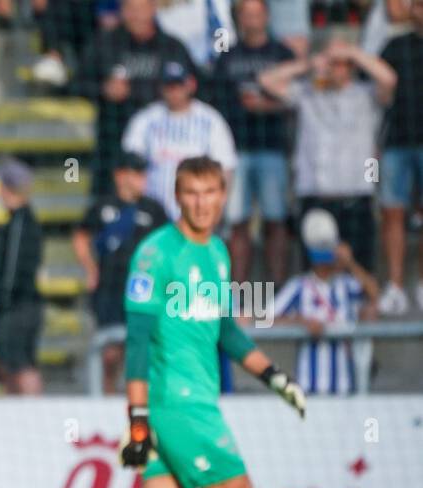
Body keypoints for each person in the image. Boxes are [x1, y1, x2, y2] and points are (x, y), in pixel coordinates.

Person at [55, 155, 328, 488]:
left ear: (223, 196)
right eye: (192, 193)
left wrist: (275, 377)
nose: (202, 203)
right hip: (175, 407)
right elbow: (136, 344)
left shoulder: (219, 253)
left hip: (194, 402)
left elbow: (225, 330)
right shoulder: (155, 254)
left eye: (211, 193)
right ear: (178, 197)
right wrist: (137, 422)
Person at [258, 37, 396, 276]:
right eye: (330, 62)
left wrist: (351, 51)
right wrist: (309, 64)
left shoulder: (366, 94)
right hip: (315, 197)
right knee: (315, 278)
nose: (334, 67)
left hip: (356, 197)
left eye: (340, 63)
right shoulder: (307, 92)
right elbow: (265, 80)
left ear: (351, 66)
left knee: (360, 277)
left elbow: (389, 78)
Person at [211, 0, 295, 284]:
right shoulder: (227, 57)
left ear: (267, 16)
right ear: (239, 19)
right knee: (237, 225)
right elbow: (217, 105)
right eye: (246, 14)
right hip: (237, 152)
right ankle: (236, 295)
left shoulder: (283, 54)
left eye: (256, 13)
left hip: (273, 149)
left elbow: (298, 101)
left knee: (276, 221)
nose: (252, 19)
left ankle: (280, 293)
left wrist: (268, 105)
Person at [74, 0, 195, 194]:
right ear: (121, 11)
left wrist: (140, 92)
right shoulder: (104, 43)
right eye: (130, 9)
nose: (136, 15)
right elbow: (77, 84)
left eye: (141, 9)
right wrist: (104, 90)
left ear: (153, 9)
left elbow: (194, 87)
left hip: (165, 146)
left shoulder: (172, 46)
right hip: (113, 142)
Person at [73, 150, 167, 394]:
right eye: (134, 173)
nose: (138, 179)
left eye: (142, 173)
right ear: (119, 175)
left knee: (143, 351)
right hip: (110, 289)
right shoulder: (103, 206)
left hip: (145, 292)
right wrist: (90, 269)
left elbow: (170, 246)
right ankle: (107, 397)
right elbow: (81, 236)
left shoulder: (154, 209)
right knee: (110, 353)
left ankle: (140, 400)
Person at [271, 220, 378, 395]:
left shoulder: (347, 285)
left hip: (345, 388)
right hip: (309, 388)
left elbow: (374, 293)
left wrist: (350, 262)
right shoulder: (299, 286)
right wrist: (300, 321)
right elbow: (265, 319)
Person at [121, 60, 237, 221]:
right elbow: (129, 168)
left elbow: (225, 168)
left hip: (196, 212)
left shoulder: (210, 120)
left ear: (190, 85)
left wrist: (217, 208)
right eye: (169, 86)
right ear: (161, 87)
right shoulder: (145, 119)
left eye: (179, 85)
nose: (174, 91)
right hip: (152, 214)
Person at [0, 158, 44, 395]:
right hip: (17, 308)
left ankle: (31, 415)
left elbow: (11, 271)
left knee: (21, 365)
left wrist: (2, 304)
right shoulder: (20, 222)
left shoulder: (20, 223)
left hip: (16, 309)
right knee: (12, 365)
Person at [378, 0, 423, 314]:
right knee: (392, 213)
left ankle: (421, 284)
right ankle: (395, 286)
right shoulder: (394, 45)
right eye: (418, 6)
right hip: (397, 141)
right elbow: (381, 94)